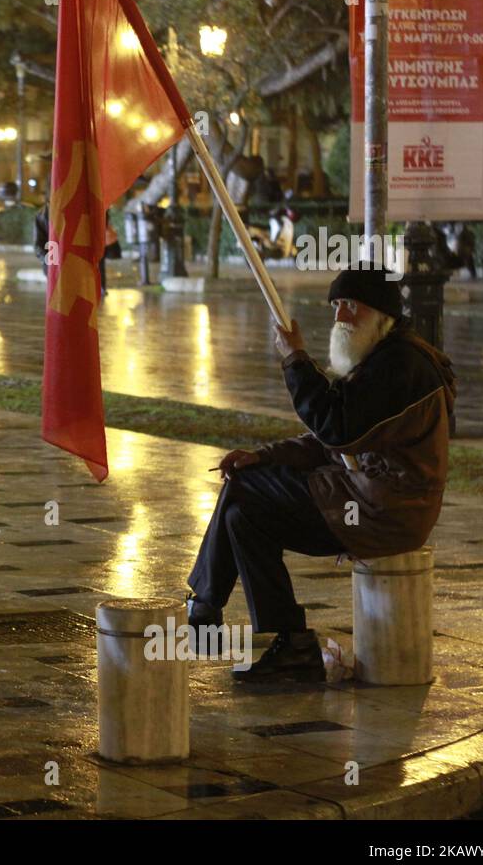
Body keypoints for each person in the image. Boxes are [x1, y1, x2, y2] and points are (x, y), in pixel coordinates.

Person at [186, 265, 456, 682]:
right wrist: (264, 455)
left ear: (381, 313)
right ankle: (288, 643)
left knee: (244, 488)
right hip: (364, 499)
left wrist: (295, 359)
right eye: (336, 306)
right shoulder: (385, 355)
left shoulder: (402, 366)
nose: (340, 317)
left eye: (351, 305)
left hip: (384, 513)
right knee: (244, 516)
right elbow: (334, 440)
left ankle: (203, 608)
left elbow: (336, 427)